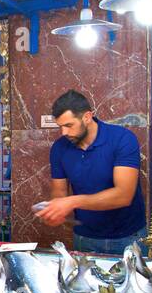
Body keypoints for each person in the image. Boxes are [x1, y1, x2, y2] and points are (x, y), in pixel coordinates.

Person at [37, 89, 146, 254]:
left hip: (128, 237)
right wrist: (56, 212)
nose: (63, 132)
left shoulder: (122, 139)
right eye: (60, 126)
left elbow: (124, 195)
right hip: (84, 237)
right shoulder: (59, 148)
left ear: (87, 117)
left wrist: (72, 202)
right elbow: (59, 193)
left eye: (68, 125)